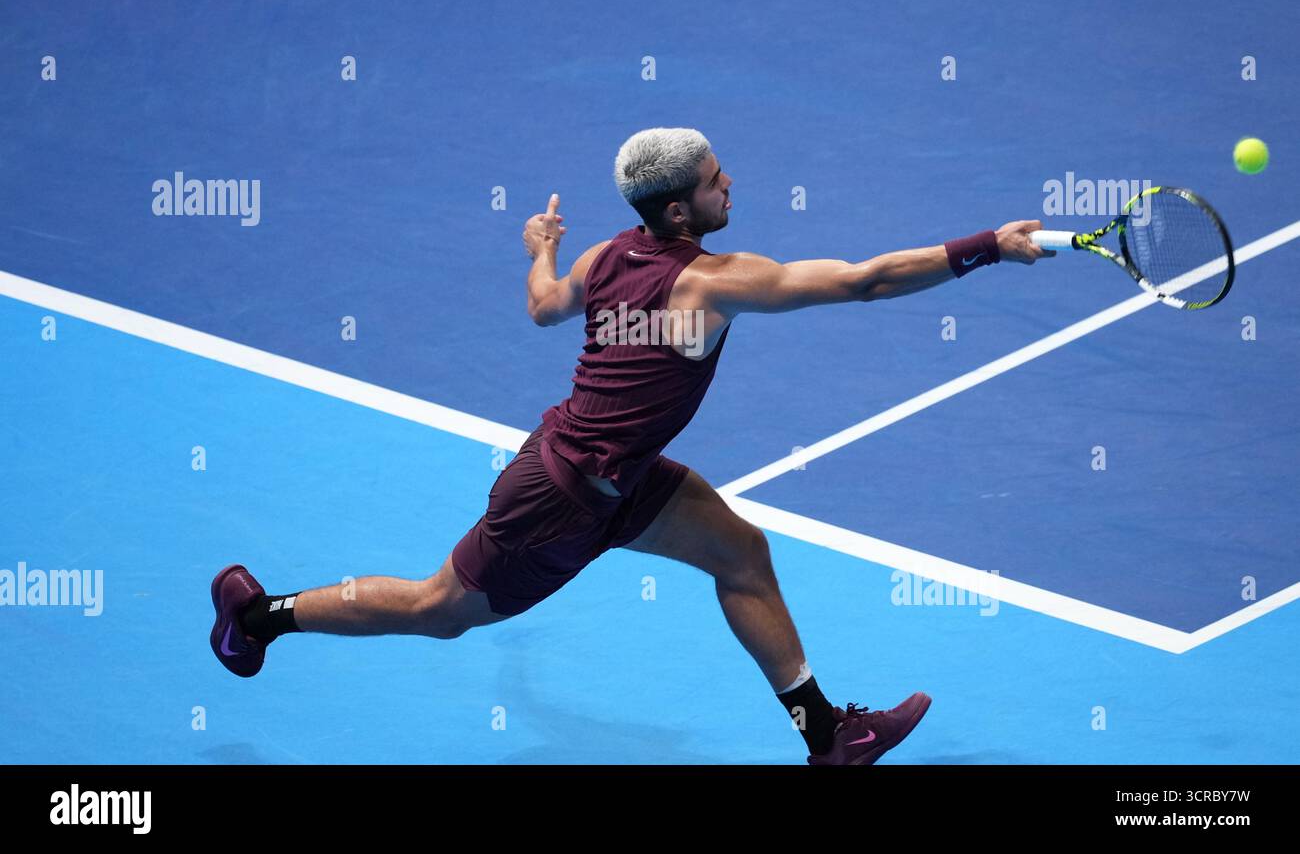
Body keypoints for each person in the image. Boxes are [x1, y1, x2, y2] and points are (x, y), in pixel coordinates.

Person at [210, 127, 1052, 764]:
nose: (732, 186)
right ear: (680, 209)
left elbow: (544, 306)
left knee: (742, 555)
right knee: (441, 612)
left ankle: (828, 735)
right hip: (559, 497)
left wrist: (541, 249)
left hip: (626, 479)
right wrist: (988, 249)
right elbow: (864, 280)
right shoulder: (714, 282)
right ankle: (256, 615)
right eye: (718, 181)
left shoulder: (610, 255)